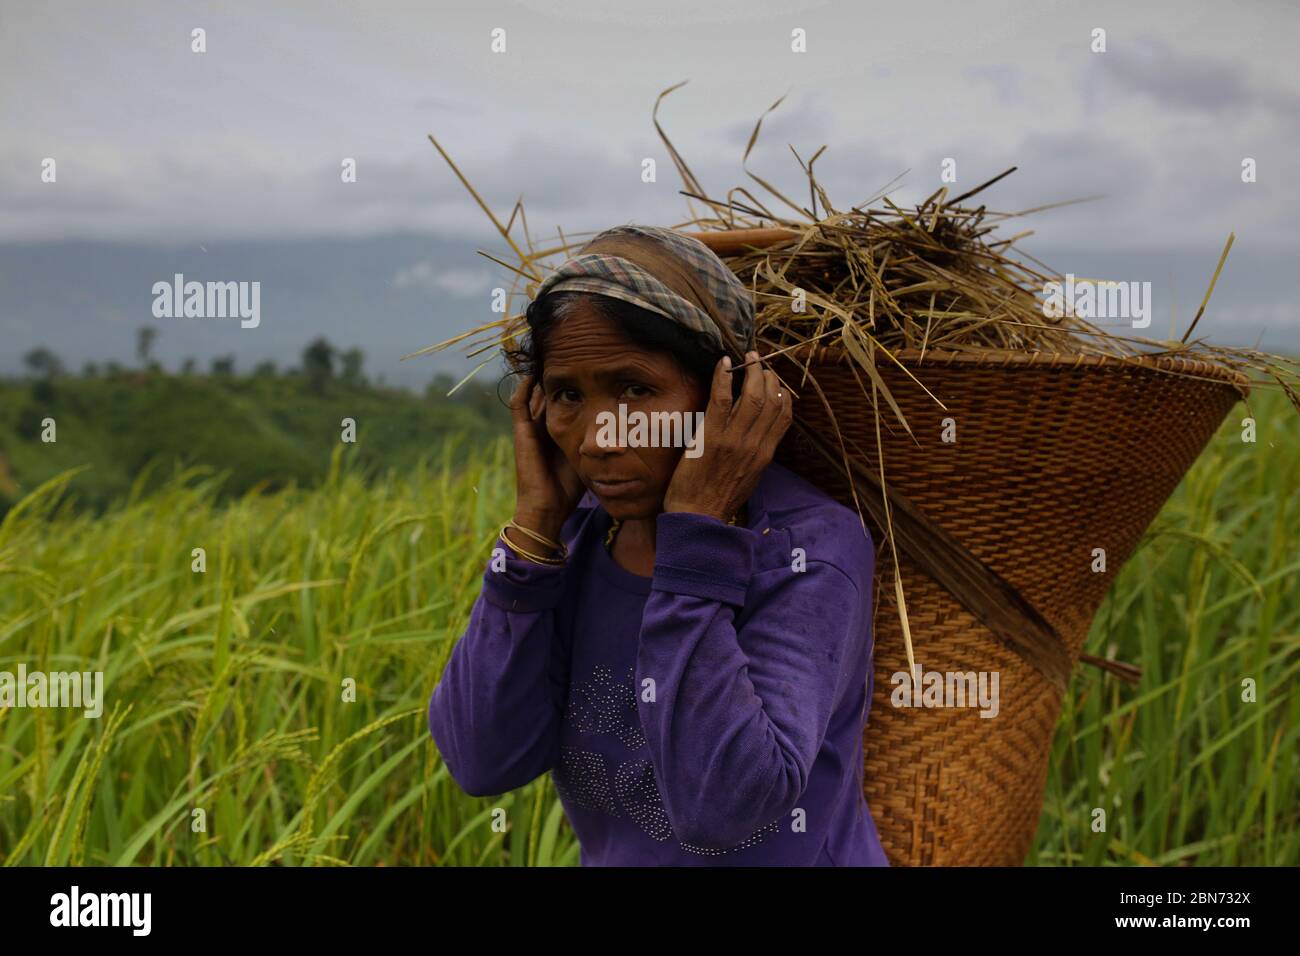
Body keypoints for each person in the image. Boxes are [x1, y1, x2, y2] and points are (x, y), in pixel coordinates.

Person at [427, 224, 889, 865]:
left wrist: (695, 537)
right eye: (567, 395)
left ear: (724, 395)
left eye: (635, 390)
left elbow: (721, 809)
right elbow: (482, 760)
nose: (599, 439)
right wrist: (534, 531)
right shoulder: (578, 542)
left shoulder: (807, 549)